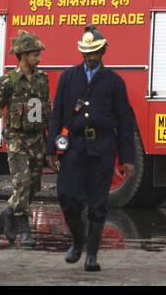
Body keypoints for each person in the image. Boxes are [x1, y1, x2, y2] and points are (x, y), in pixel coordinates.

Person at [50, 25, 137, 271]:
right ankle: (77, 242)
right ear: (81, 53)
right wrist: (50, 150)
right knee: (68, 198)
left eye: (95, 52)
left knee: (98, 204)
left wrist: (127, 157)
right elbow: (57, 115)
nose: (91, 57)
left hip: (102, 148)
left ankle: (92, 254)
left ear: (103, 51)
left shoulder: (114, 82)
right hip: (74, 147)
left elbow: (124, 121)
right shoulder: (68, 78)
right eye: (87, 52)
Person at [0, 30, 55, 246]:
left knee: (33, 186)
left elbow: (47, 113)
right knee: (21, 182)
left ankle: (9, 212)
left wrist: (51, 145)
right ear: (23, 56)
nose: (39, 59)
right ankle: (24, 228)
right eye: (35, 55)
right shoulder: (7, 82)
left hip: (36, 139)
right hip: (16, 139)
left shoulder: (42, 80)